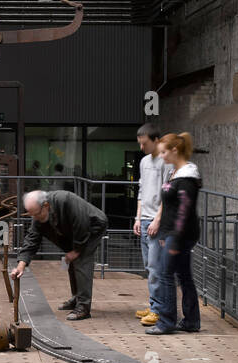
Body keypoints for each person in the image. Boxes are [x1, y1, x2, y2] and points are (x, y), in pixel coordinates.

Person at [10, 189, 108, 320]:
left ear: (46, 205)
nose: (35, 218)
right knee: (72, 261)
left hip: (92, 226)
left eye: (36, 214)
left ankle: (83, 307)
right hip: (73, 232)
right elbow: (32, 239)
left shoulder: (65, 200)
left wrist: (76, 251)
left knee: (81, 260)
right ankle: (76, 298)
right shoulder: (38, 214)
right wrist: (21, 266)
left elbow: (82, 223)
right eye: (31, 215)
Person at [146, 132, 201, 335]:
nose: (161, 156)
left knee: (165, 274)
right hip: (174, 233)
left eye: (163, 152)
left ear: (174, 150)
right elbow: (171, 208)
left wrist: (174, 239)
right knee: (184, 275)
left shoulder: (186, 178)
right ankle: (191, 321)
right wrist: (165, 233)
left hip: (180, 235)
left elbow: (184, 212)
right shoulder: (176, 173)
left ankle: (166, 322)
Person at [132, 124, 167, 326]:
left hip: (155, 221)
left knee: (155, 268)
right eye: (140, 143)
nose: (141, 147)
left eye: (144, 143)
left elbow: (166, 193)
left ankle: (158, 310)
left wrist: (158, 219)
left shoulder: (165, 162)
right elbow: (141, 190)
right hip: (145, 219)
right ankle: (155, 305)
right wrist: (138, 218)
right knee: (149, 266)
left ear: (156, 140)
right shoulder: (144, 161)